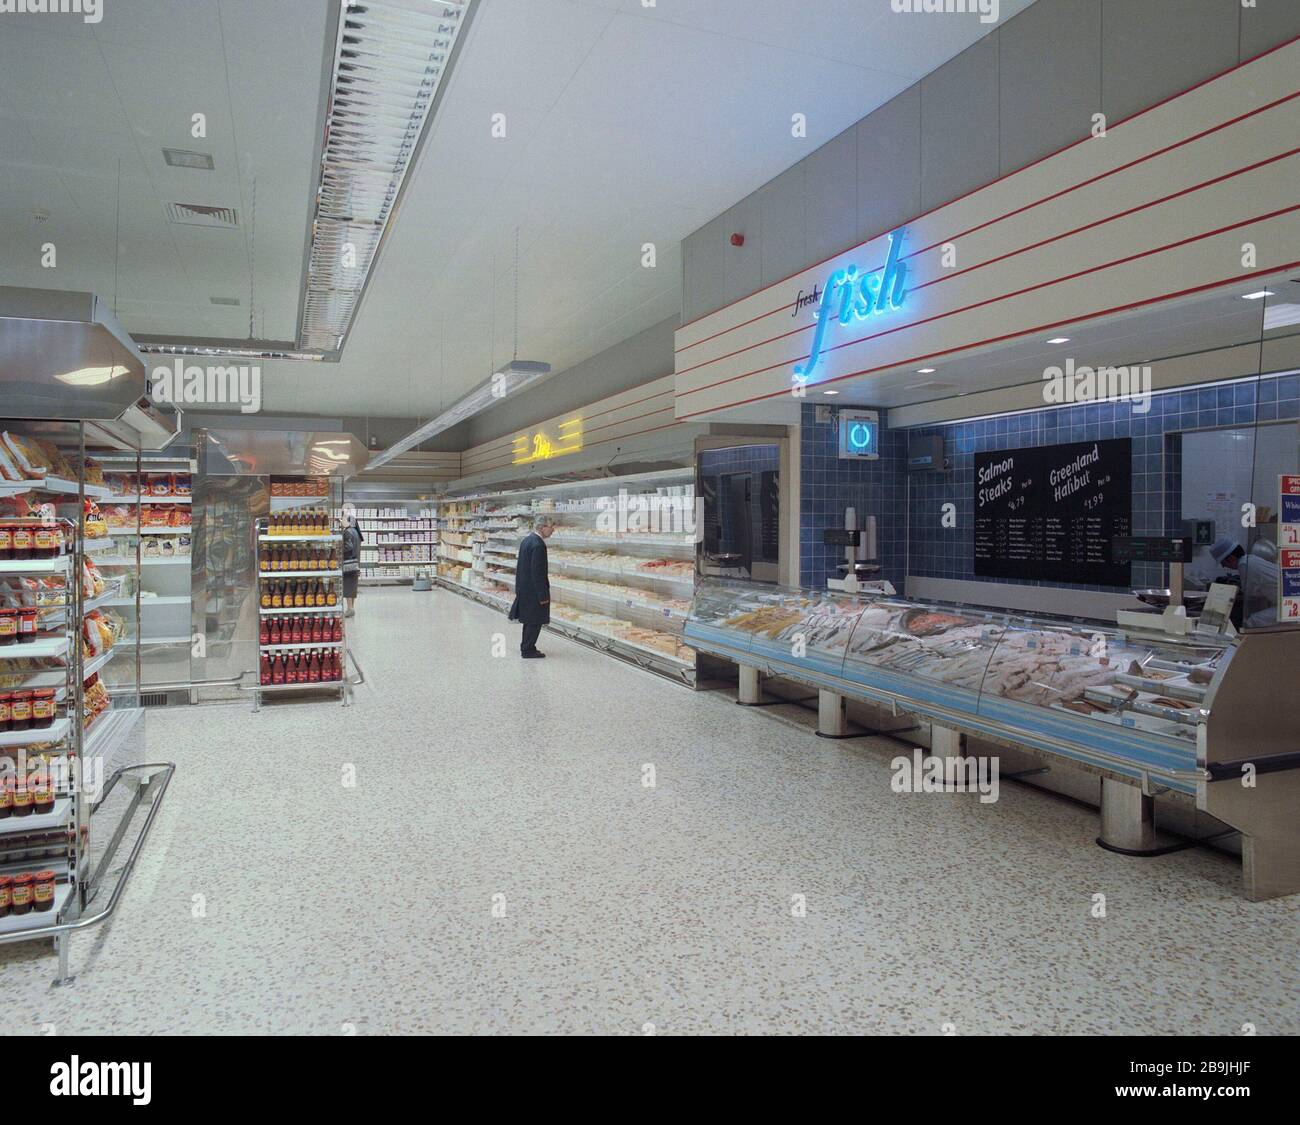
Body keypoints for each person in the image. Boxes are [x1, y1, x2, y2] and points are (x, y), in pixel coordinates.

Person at [508, 515, 555, 658]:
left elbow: (522, 567)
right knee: (535, 620)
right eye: (550, 526)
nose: (553, 529)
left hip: (525, 588)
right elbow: (538, 573)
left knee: (529, 620)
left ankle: (527, 646)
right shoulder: (538, 545)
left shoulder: (527, 540)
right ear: (541, 528)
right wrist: (543, 595)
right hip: (534, 591)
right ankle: (528, 650)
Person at [341, 513, 362, 617]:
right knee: (353, 586)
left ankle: (349, 609)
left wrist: (338, 550)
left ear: (349, 522)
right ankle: (352, 608)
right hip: (355, 563)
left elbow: (348, 546)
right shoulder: (356, 532)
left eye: (343, 519)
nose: (341, 521)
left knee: (348, 586)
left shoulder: (347, 532)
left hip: (348, 563)